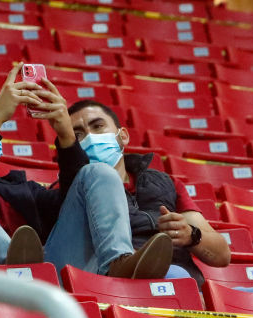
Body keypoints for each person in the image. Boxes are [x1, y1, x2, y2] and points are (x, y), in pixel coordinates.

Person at [0, 66, 171, 279]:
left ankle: (117, 262)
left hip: (45, 281)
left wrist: (65, 132)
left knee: (98, 172)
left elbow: (76, 200)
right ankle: (10, 264)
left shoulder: (19, 191)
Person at [67, 99, 230, 285]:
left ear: (123, 136)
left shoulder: (166, 183)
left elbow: (222, 256)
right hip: (127, 288)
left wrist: (190, 235)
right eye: (78, 135)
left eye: (98, 126)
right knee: (176, 276)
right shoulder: (69, 193)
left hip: (191, 284)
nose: (90, 138)